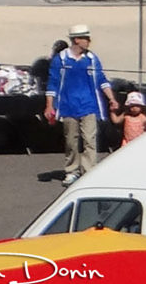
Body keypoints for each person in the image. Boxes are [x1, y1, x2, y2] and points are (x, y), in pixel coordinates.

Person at [44, 22, 117, 183]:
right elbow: (53, 83)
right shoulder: (61, 59)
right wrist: (49, 105)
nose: (88, 41)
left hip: (89, 105)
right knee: (71, 140)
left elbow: (101, 79)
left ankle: (89, 171)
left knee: (90, 140)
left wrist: (111, 98)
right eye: (86, 38)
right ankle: (72, 170)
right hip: (68, 106)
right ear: (77, 40)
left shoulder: (91, 59)